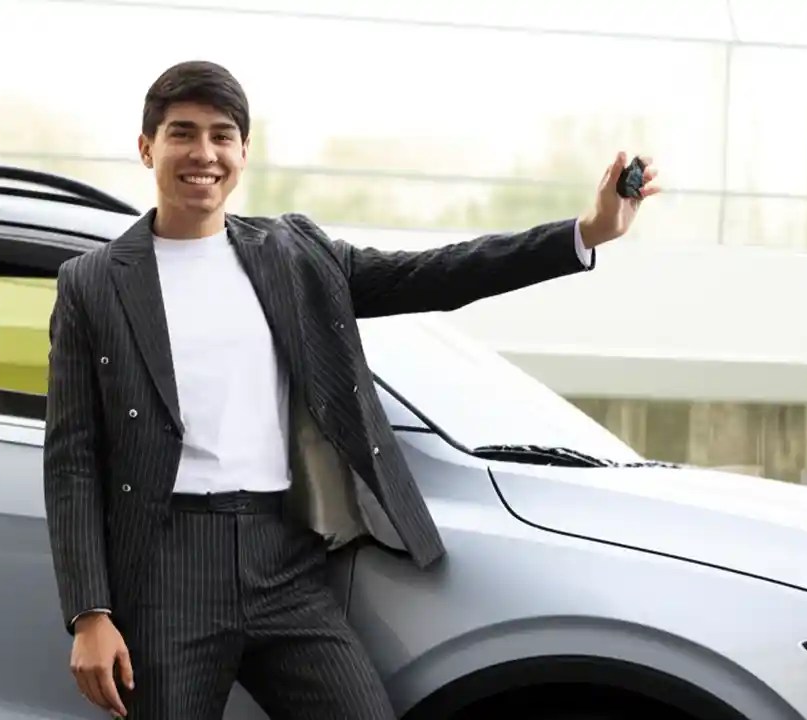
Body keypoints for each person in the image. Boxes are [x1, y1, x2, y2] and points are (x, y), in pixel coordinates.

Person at [43, 60, 659, 719]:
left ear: (244, 152)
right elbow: (73, 458)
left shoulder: (292, 254)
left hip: (284, 556)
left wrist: (583, 234)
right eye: (182, 134)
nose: (204, 154)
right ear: (147, 148)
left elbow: (436, 274)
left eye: (222, 136)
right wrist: (90, 612)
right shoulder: (93, 283)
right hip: (168, 567)